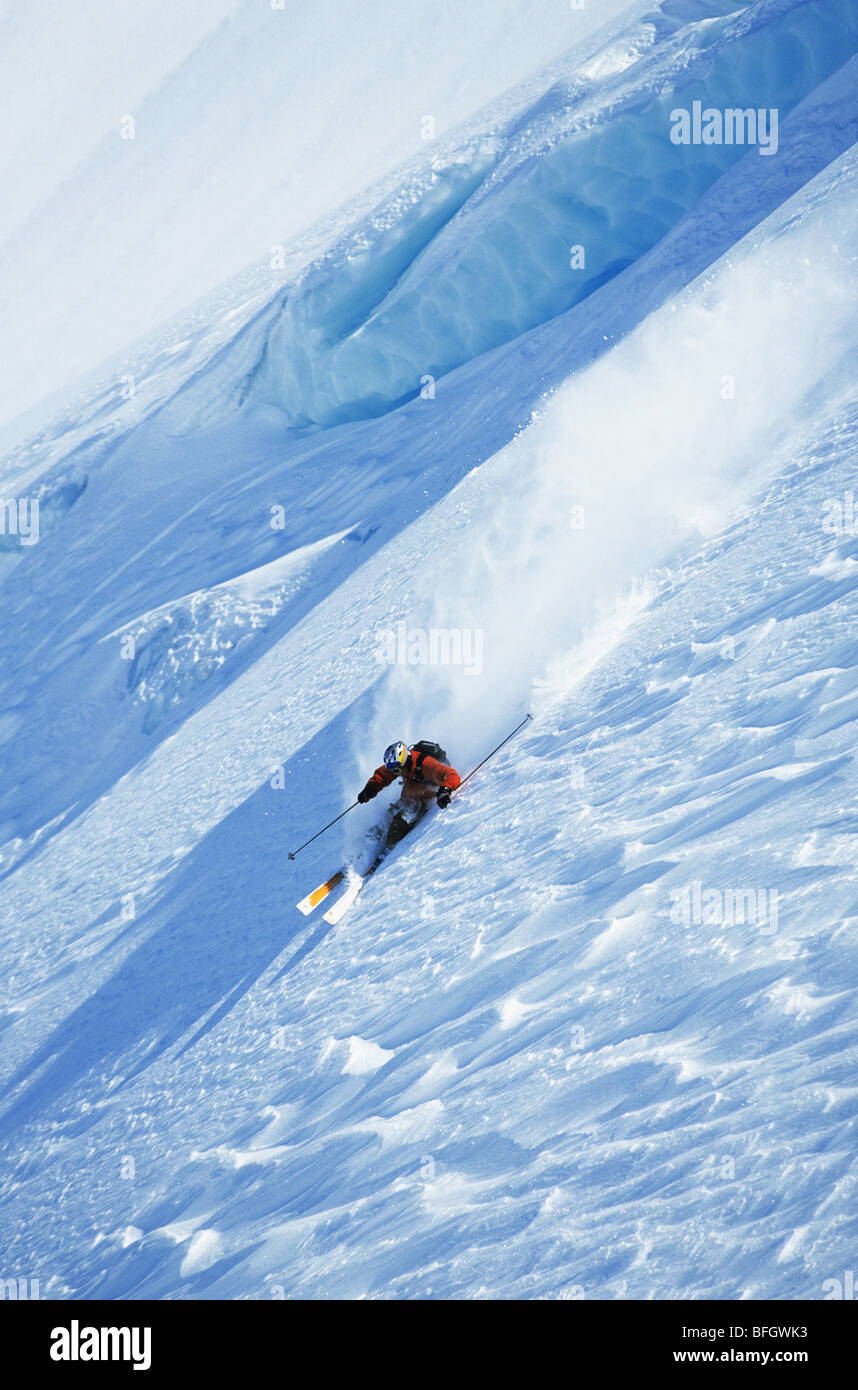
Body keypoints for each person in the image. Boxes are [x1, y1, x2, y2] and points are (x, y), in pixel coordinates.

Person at [357, 741, 461, 849]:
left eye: (396, 770)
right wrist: (370, 789)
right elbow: (383, 775)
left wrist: (444, 791)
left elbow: (452, 775)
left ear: (404, 762)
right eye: (392, 770)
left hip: (429, 794)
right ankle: (382, 829)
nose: (395, 773)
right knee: (399, 804)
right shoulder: (400, 765)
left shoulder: (426, 764)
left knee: (399, 823)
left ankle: (391, 842)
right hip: (413, 789)